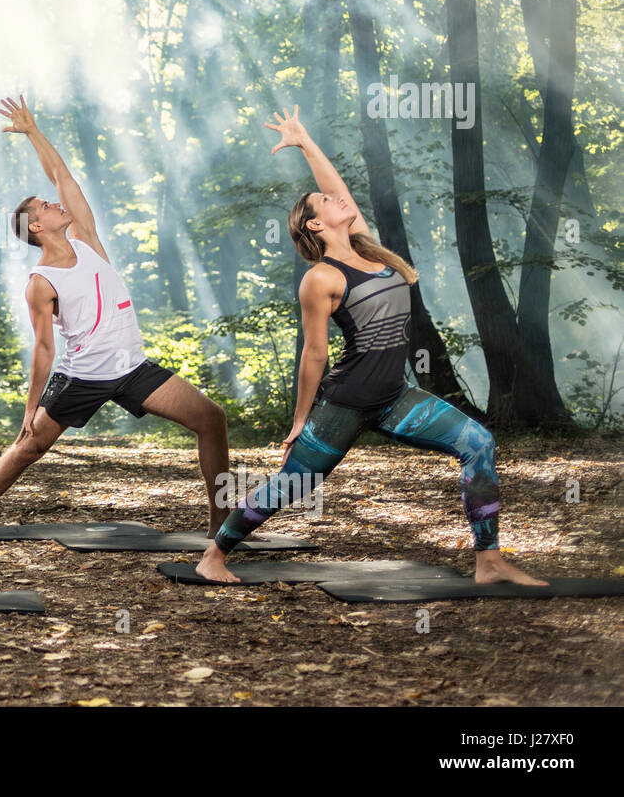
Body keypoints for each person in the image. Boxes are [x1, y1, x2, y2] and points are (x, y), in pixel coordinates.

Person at [196, 106, 546, 585]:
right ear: (316, 226)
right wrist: (300, 419)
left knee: (478, 441)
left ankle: (488, 560)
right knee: (295, 484)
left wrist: (304, 141)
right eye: (326, 202)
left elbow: (337, 189)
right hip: (346, 402)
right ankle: (213, 556)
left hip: (394, 398)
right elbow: (314, 354)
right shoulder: (322, 277)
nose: (340, 200)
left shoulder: (363, 248)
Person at [0, 95, 231, 538]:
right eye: (44, 207)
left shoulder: (86, 241)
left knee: (211, 419)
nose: (55, 204)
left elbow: (62, 176)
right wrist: (30, 406)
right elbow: (44, 347)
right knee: (30, 446)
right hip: (82, 376)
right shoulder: (40, 282)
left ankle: (220, 525)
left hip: (132, 369)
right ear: (37, 228)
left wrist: (32, 131)